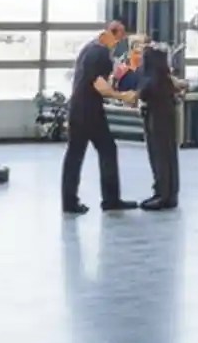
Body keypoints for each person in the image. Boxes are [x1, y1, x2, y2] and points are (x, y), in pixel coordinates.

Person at [60, 24, 139, 214]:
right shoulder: (101, 53)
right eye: (119, 40)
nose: (118, 44)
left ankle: (69, 202)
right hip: (90, 110)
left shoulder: (88, 48)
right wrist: (124, 97)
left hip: (77, 107)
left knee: (75, 155)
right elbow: (100, 85)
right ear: (113, 35)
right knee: (107, 150)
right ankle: (110, 200)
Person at [137, 45, 186, 211]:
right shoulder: (165, 78)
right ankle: (170, 194)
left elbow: (142, 93)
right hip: (166, 114)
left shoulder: (152, 77)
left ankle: (161, 194)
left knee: (159, 155)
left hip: (157, 117)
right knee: (169, 155)